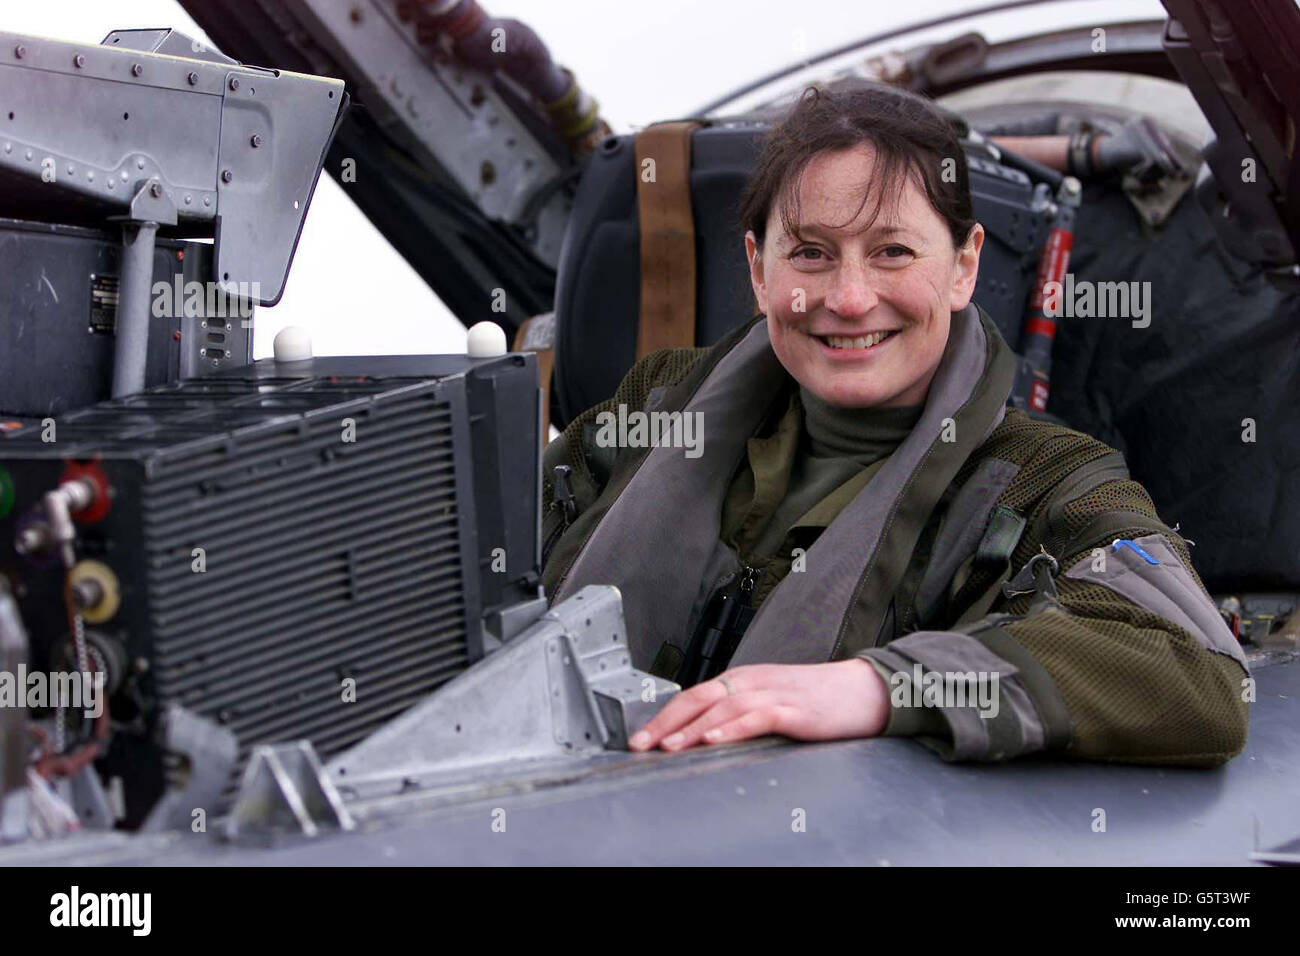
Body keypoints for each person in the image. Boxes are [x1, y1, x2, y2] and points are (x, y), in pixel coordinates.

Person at [539, 85, 1249, 766]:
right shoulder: (657, 407)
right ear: (759, 270)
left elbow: (1194, 666)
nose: (849, 299)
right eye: (810, 253)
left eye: (893, 252)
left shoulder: (1044, 484)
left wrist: (886, 687)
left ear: (963, 266)